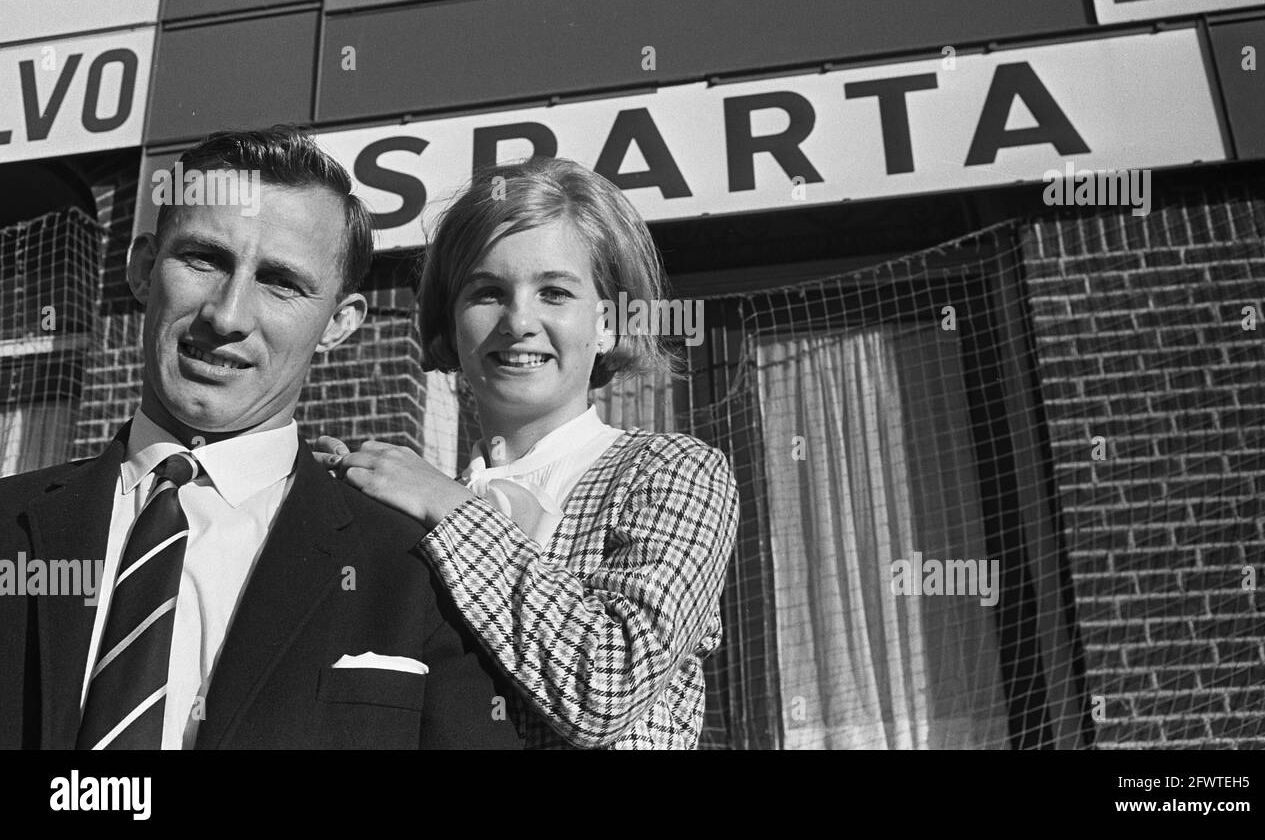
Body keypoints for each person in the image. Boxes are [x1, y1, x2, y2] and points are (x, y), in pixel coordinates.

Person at [0, 126, 519, 750]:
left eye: (280, 281)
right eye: (204, 259)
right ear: (141, 270)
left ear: (340, 322)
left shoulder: (420, 570)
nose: (227, 315)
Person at [313, 157, 740, 749]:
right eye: (488, 292)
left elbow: (608, 685)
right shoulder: (409, 496)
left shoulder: (674, 471)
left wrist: (454, 510)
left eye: (555, 292)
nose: (519, 321)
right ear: (450, 324)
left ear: (611, 323)